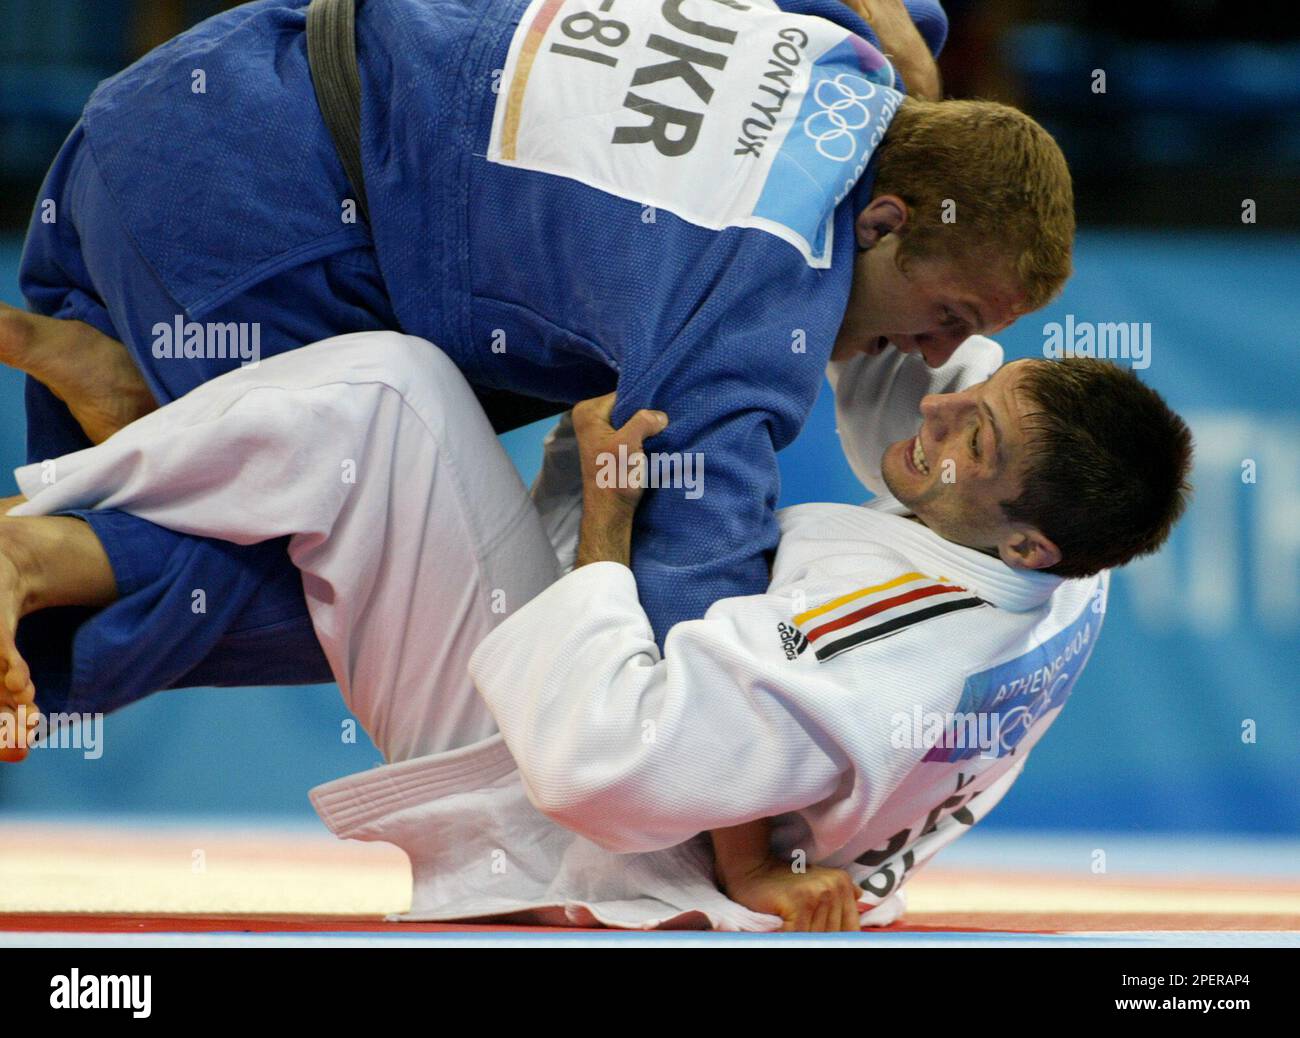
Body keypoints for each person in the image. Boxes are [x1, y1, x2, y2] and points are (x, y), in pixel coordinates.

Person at [0, 0, 1074, 718]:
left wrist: (911, 52)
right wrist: (753, 848)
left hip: (202, 83)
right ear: (880, 222)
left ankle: (128, 404)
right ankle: (35, 557)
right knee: (435, 597)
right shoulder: (759, 285)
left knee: (527, 363)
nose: (937, 351)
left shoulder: (841, 41)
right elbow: (694, 615)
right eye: (946, 313)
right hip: (250, 234)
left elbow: (899, 14)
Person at [0, 329, 1192, 930]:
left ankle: (47, 505)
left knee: (387, 404)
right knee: (323, 561)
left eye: (972, 437)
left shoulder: (882, 653)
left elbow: (605, 763)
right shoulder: (1062, 559)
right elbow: (913, 357)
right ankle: (47, 549)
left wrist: (612, 519)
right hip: (670, 805)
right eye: (977, 393)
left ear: (1025, 542)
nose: (938, 411)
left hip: (575, 846)